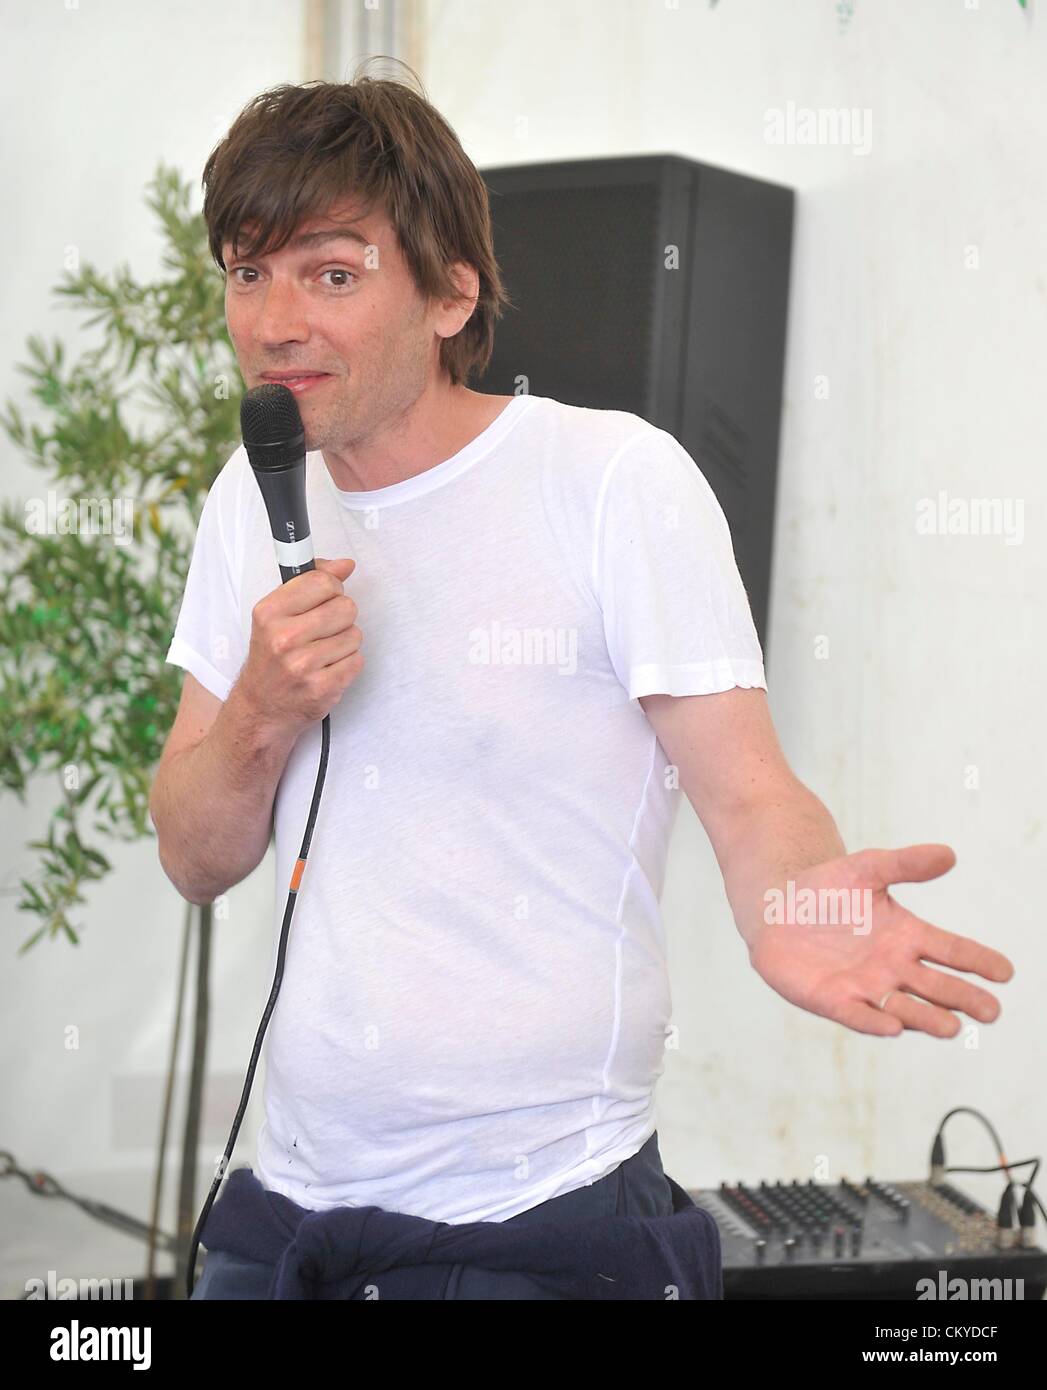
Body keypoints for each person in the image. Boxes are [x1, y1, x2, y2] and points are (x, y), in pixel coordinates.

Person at [149, 63, 1014, 1300]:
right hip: (288, 1218)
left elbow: (753, 797)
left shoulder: (613, 483)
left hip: (538, 1216)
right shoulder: (254, 494)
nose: (276, 321)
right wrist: (260, 716)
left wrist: (802, 905)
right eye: (249, 273)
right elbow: (192, 853)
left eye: (332, 273)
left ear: (452, 290)